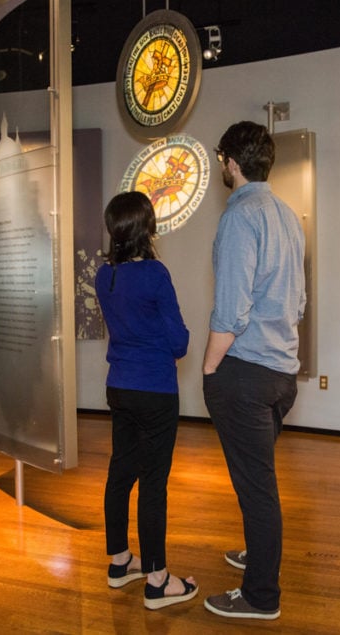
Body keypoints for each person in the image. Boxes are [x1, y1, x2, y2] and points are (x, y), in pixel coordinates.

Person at [202, 121, 306, 621]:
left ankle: (261, 596)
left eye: (221, 158)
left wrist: (208, 367)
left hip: (244, 373)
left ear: (230, 162)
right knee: (258, 482)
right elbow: (299, 302)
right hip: (282, 375)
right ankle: (259, 555)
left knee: (257, 489)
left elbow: (230, 310)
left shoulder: (241, 215)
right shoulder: (287, 216)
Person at [96, 190, 198, 610]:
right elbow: (179, 341)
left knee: (121, 473)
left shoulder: (105, 276)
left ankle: (121, 562)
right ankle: (157, 580)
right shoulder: (156, 274)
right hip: (154, 391)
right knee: (153, 484)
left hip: (118, 386)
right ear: (147, 228)